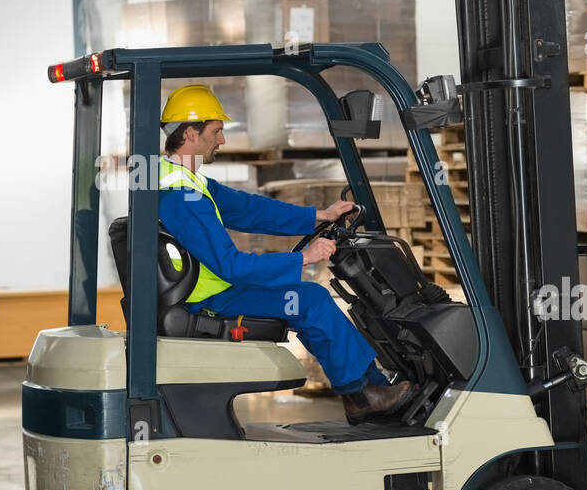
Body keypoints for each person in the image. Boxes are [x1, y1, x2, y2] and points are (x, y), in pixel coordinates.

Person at [154, 84, 413, 425]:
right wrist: (304, 258)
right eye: (217, 131)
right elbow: (231, 265)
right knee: (310, 301)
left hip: (210, 291)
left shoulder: (185, 181)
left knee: (309, 299)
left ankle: (372, 390)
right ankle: (360, 395)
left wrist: (319, 216)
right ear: (191, 132)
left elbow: (249, 209)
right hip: (210, 300)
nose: (222, 140)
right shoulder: (182, 196)